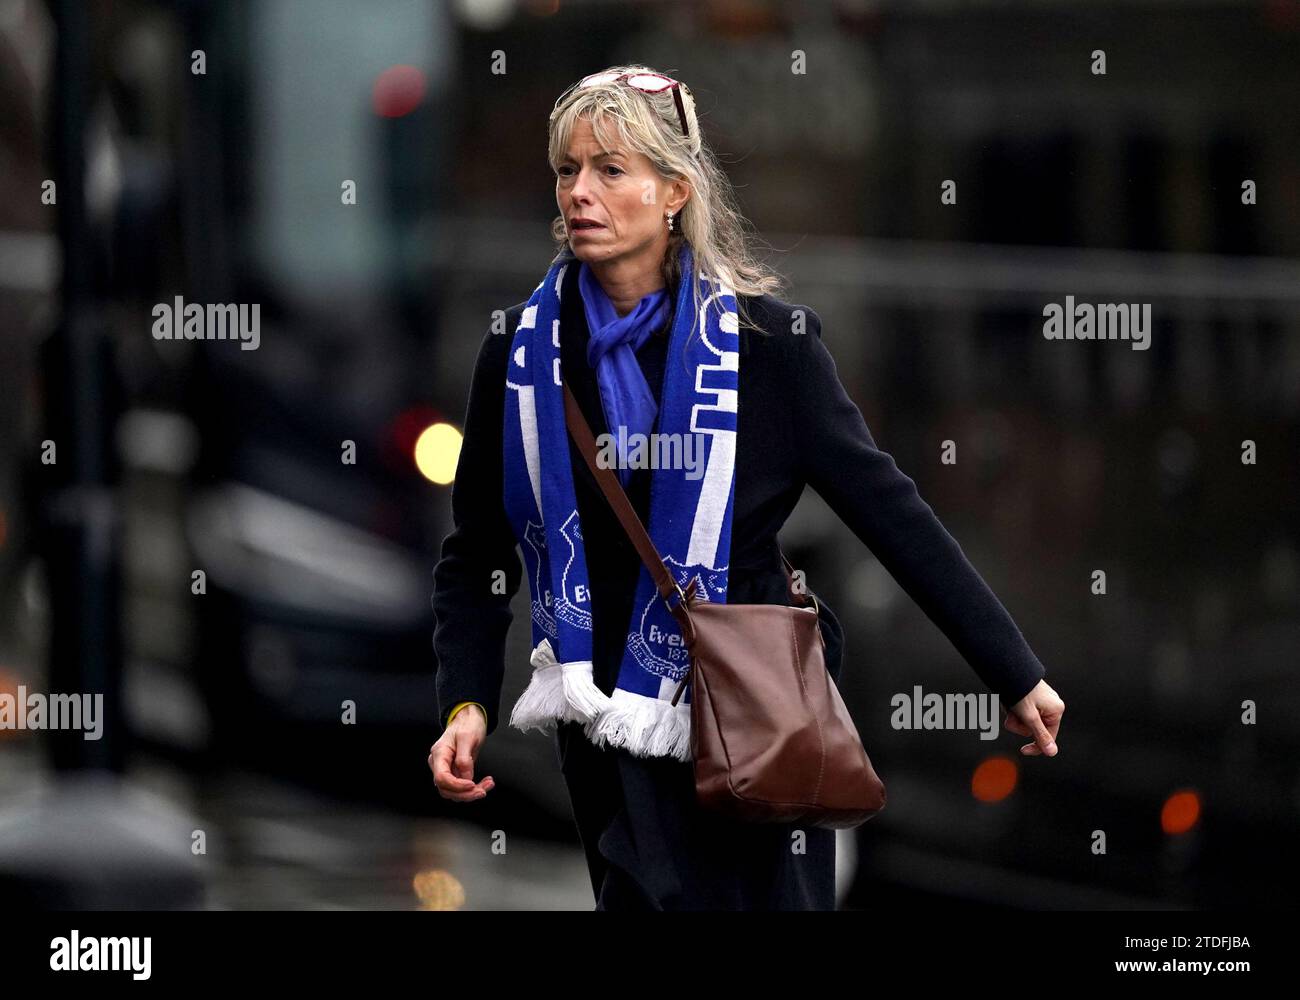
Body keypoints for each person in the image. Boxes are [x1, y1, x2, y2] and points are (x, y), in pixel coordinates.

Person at [428, 65, 1065, 910]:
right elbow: (474, 553)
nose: (580, 191)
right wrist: (465, 702)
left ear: (674, 191)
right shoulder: (521, 355)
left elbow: (891, 514)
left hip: (760, 710)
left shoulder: (771, 349)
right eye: (568, 170)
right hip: (609, 723)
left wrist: (1013, 674)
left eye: (611, 170)